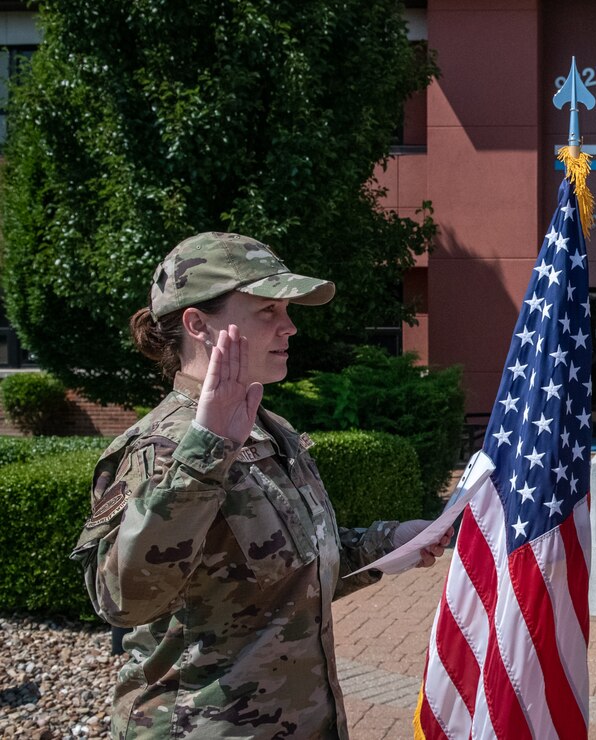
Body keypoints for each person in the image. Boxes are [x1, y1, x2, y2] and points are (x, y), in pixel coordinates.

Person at [72, 232, 452, 738]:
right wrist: (205, 452)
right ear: (197, 324)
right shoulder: (159, 447)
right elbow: (122, 599)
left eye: (287, 310)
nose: (290, 327)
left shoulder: (270, 428)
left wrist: (390, 543)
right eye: (268, 311)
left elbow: (285, 570)